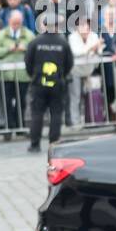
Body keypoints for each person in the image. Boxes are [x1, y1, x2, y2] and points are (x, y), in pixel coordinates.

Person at [24, 14, 73, 152]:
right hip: (57, 83)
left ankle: (35, 144)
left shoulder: (35, 42)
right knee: (56, 113)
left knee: (37, 113)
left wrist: (33, 75)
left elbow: (28, 62)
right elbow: (69, 63)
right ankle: (54, 143)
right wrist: (61, 75)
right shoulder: (63, 42)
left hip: (39, 82)